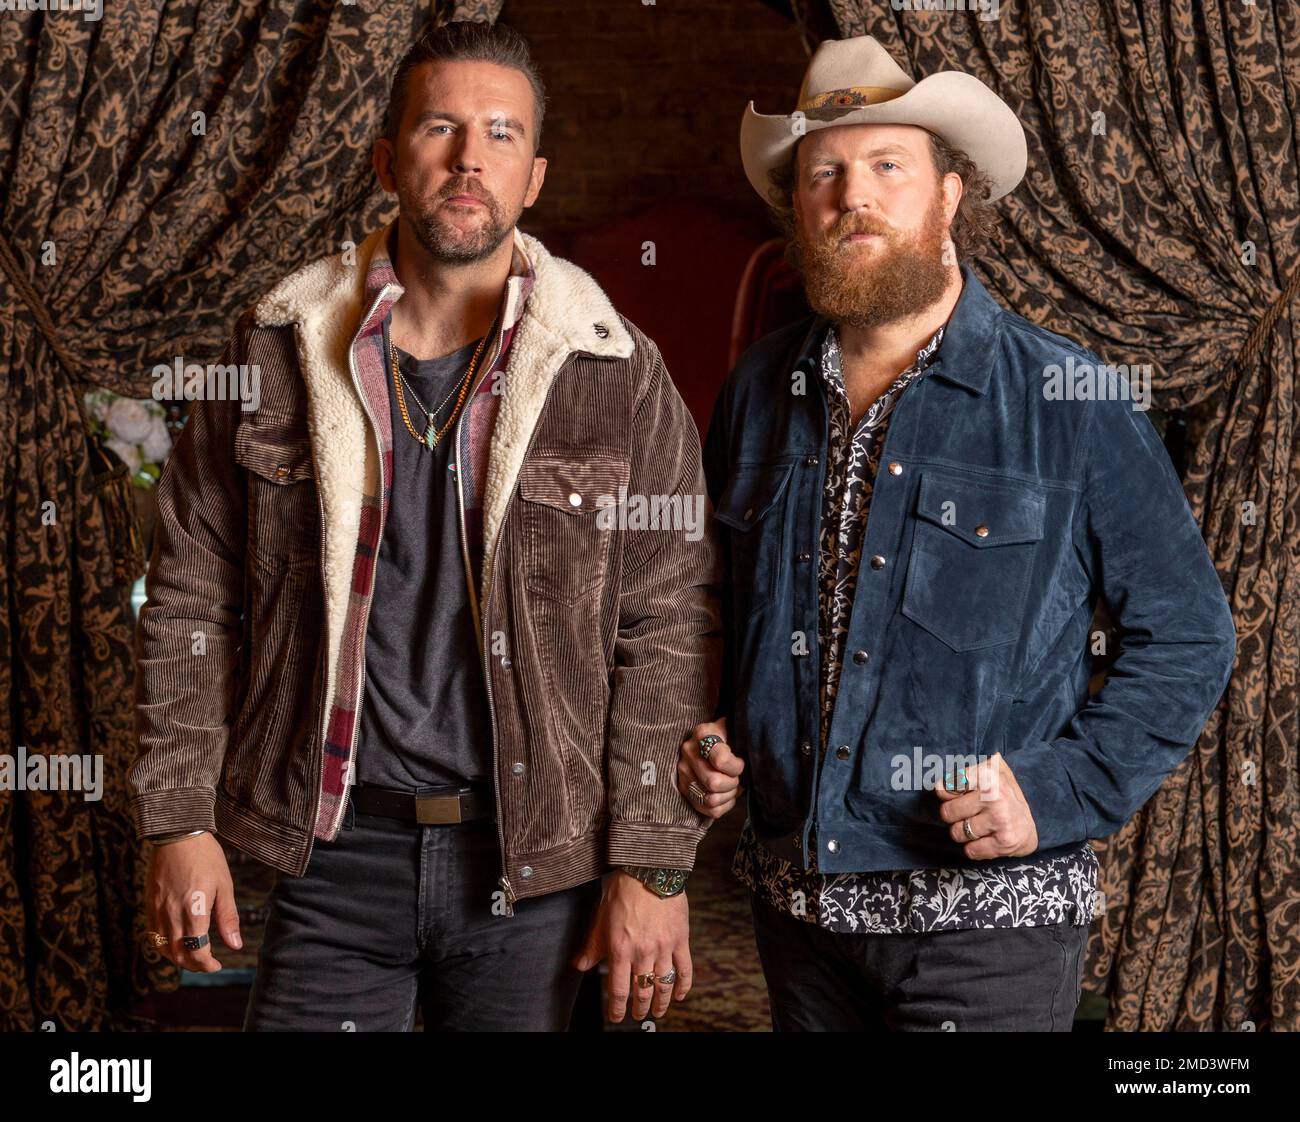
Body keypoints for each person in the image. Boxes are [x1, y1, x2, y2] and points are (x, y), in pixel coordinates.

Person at [130, 20, 720, 1031]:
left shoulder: (614, 369)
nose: (467, 157)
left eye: (499, 133)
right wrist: (177, 815)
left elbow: (668, 625)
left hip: (533, 863)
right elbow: (190, 588)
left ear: (533, 177)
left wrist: (654, 867)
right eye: (440, 126)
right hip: (333, 854)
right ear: (386, 159)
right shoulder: (275, 351)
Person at [677, 35, 1236, 1031]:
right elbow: (721, 599)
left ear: (948, 194)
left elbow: (1188, 636)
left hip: (986, 928)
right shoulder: (758, 391)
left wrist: (1058, 788)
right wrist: (719, 728)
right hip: (795, 915)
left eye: (887, 167)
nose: (854, 197)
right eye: (825, 174)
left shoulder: (1070, 397)